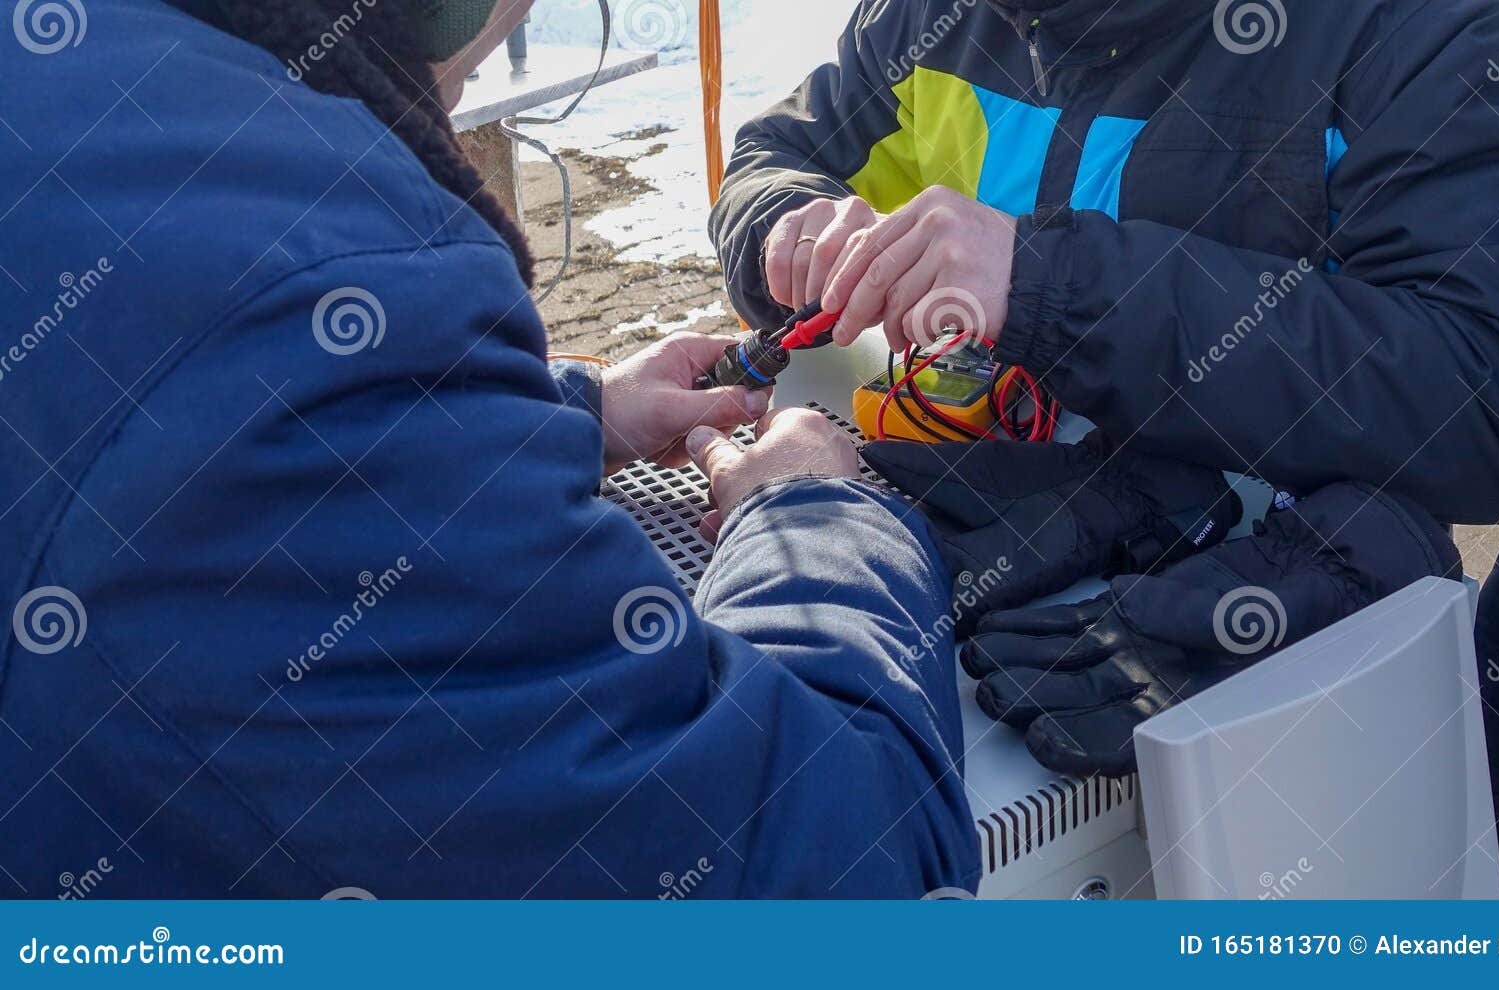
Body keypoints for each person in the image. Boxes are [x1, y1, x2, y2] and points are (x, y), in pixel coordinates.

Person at [0, 0, 982, 897]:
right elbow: (835, 867)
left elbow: (190, 418)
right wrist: (814, 516)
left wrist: (560, 412)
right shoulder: (349, 277)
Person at [712, 0, 1499, 886]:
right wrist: (786, 225)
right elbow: (776, 154)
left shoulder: (1422, 30)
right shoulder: (927, 18)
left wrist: (1048, 285)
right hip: (987, 584)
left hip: (1276, 649)